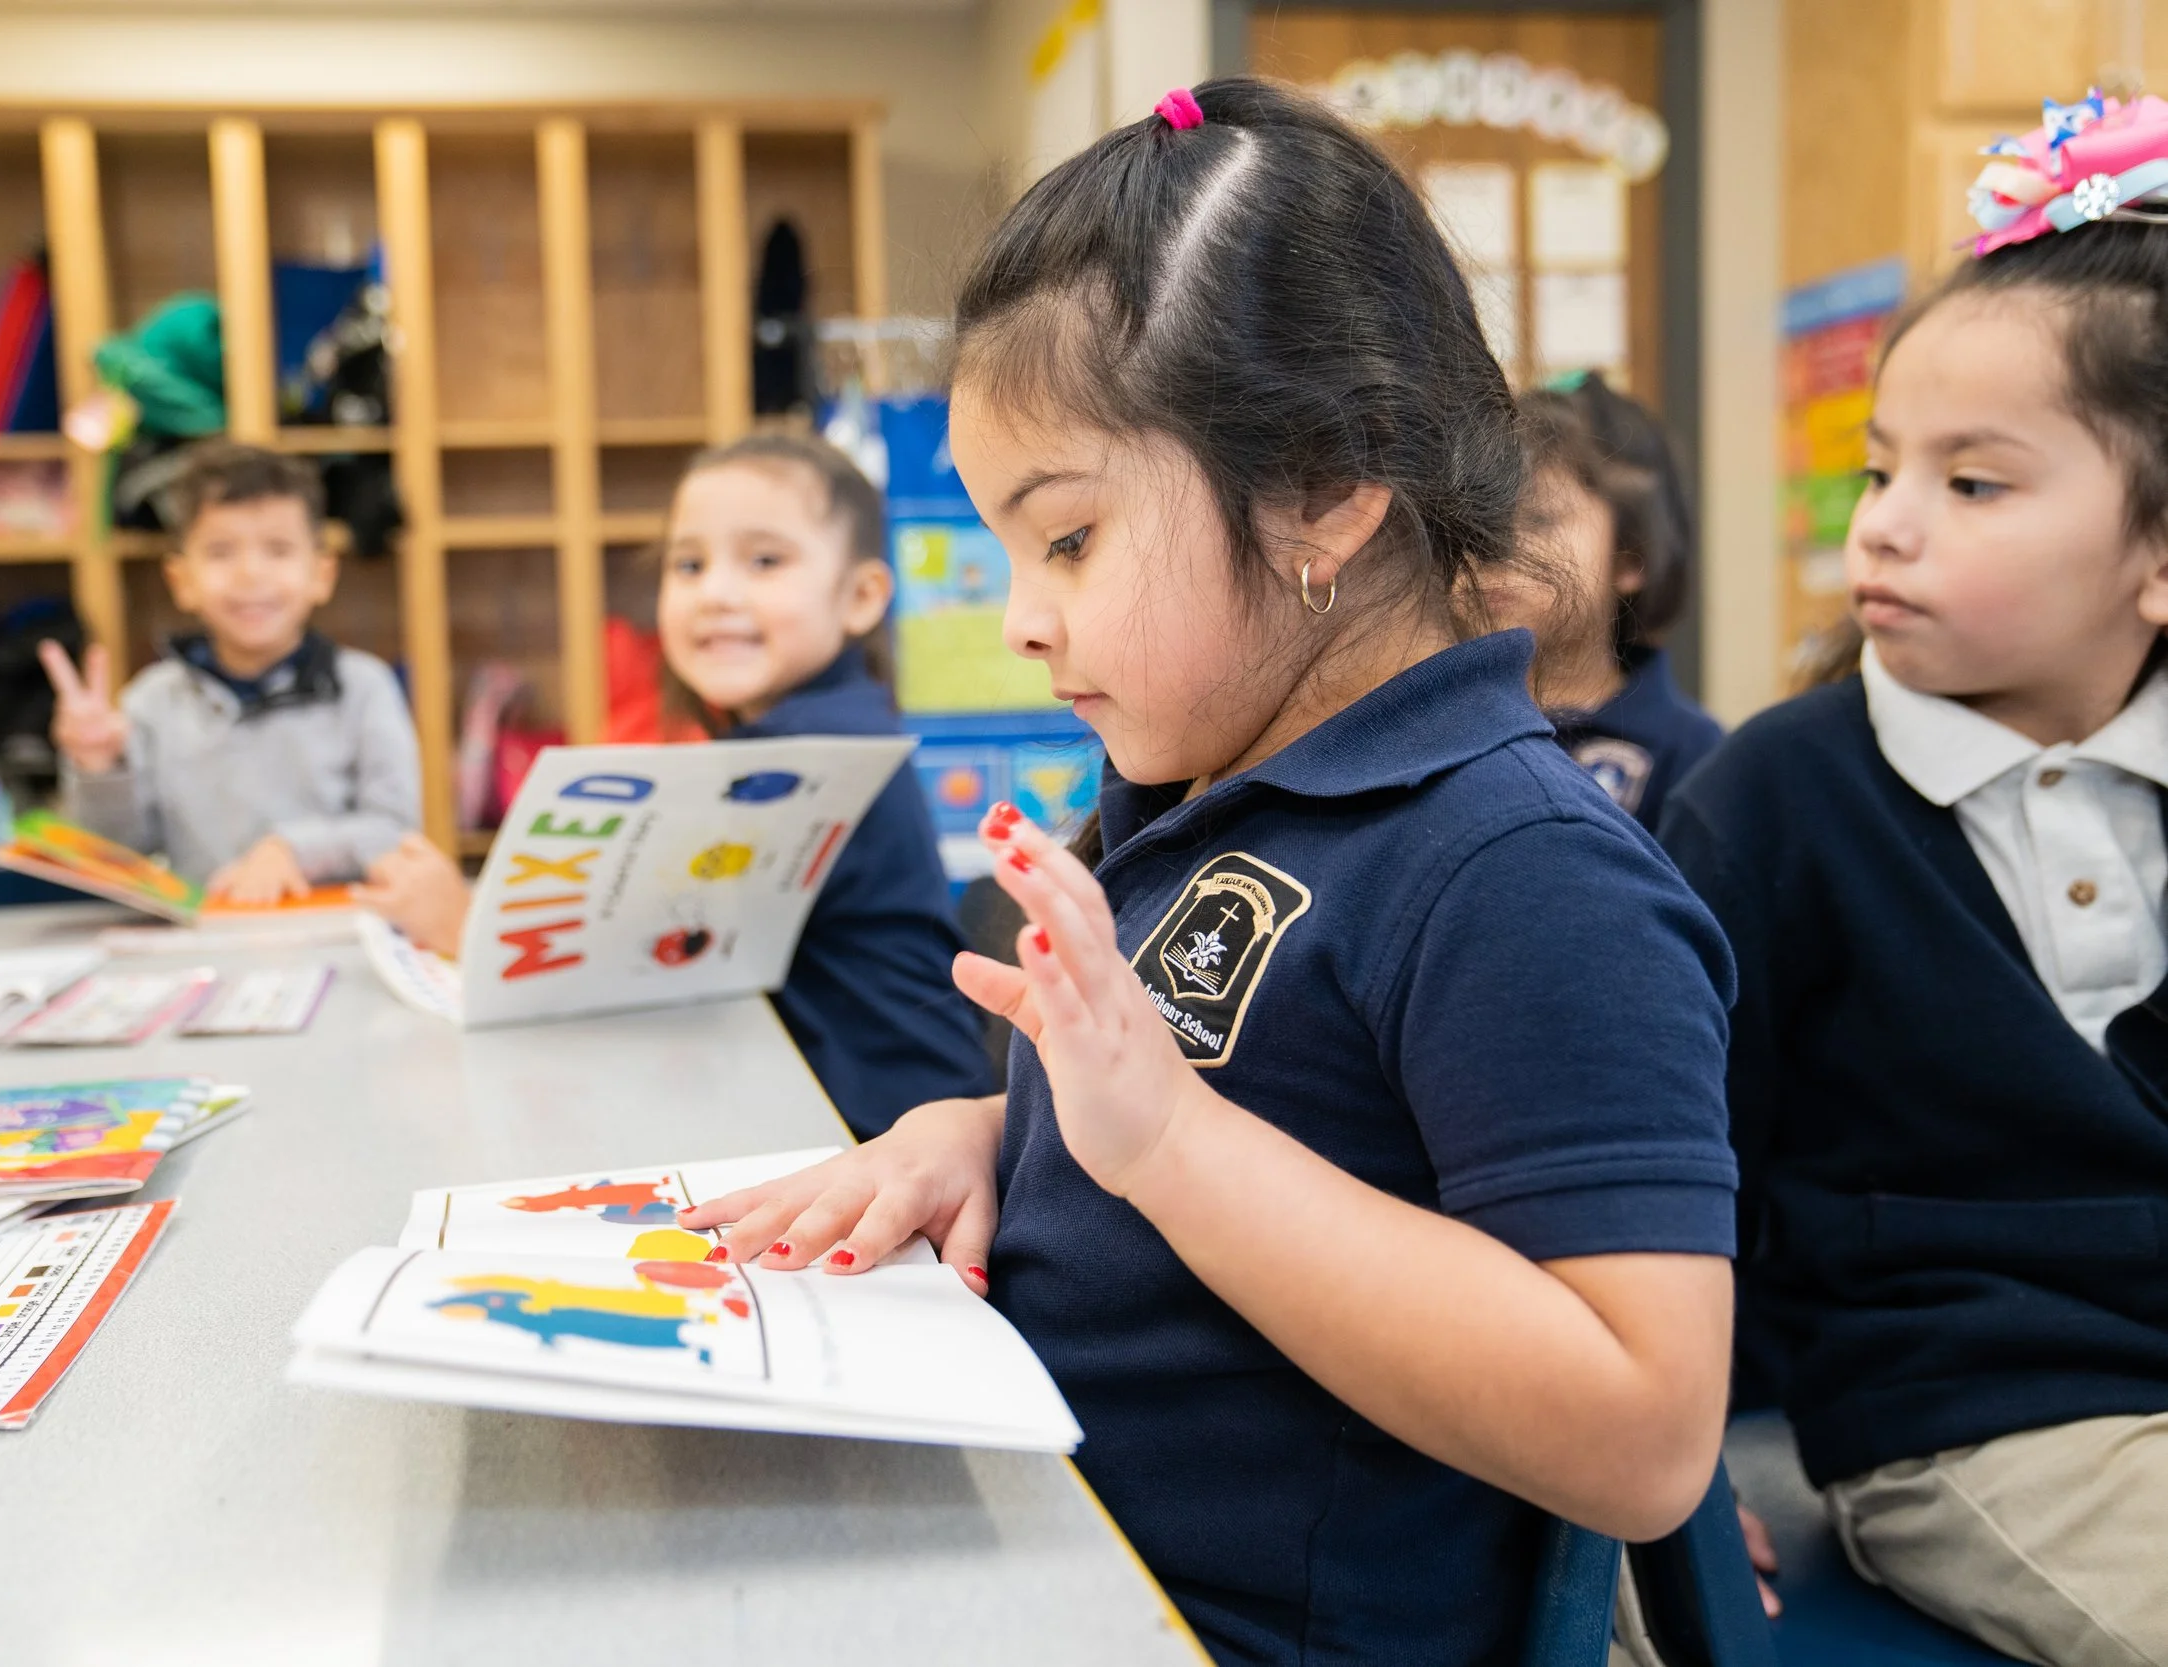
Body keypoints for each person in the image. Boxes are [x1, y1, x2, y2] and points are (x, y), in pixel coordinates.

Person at [677, 81, 1738, 1666]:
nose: (1023, 618)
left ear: (1323, 486)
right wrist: (993, 1133)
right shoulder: (1210, 791)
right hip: (1051, 1555)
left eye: (1069, 540)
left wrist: (1168, 1142)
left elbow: (1644, 1430)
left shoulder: (1525, 873)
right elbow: (1277, 1119)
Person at [1661, 90, 2168, 1667]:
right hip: (1978, 1422)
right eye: (1884, 471)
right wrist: (1663, 1474)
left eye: (1973, 484)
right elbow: (1672, 1171)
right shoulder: (1773, 799)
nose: (1882, 526)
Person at [360, 433, 990, 1139]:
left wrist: (463, 927)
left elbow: (638, 961)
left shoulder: (819, 752)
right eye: (688, 564)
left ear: (861, 597)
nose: (715, 593)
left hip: (890, 1137)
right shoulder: (806, 729)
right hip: (843, 1113)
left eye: (765, 560)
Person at [42, 441, 420, 902]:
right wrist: (99, 768)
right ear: (181, 580)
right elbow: (115, 857)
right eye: (221, 552)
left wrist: (293, 850)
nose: (250, 574)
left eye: (278, 550)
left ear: (321, 575)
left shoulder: (364, 687)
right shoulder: (151, 702)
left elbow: (396, 830)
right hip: (204, 932)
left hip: (340, 925)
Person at [1481, 376, 1721, 830]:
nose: (1496, 548)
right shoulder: (1437, 725)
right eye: (1483, 520)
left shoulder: (1692, 753)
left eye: (1539, 520)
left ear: (1629, 557)